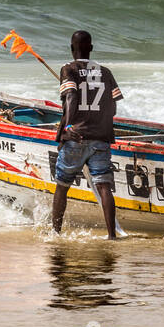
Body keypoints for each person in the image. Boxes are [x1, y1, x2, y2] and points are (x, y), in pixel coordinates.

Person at [51, 31, 124, 239]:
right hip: (101, 137)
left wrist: (66, 129)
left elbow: (72, 97)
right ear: (91, 48)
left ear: (72, 48)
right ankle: (112, 236)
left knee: (62, 186)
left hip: (77, 136)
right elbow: (114, 106)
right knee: (103, 186)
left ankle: (55, 233)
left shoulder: (68, 69)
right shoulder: (106, 72)